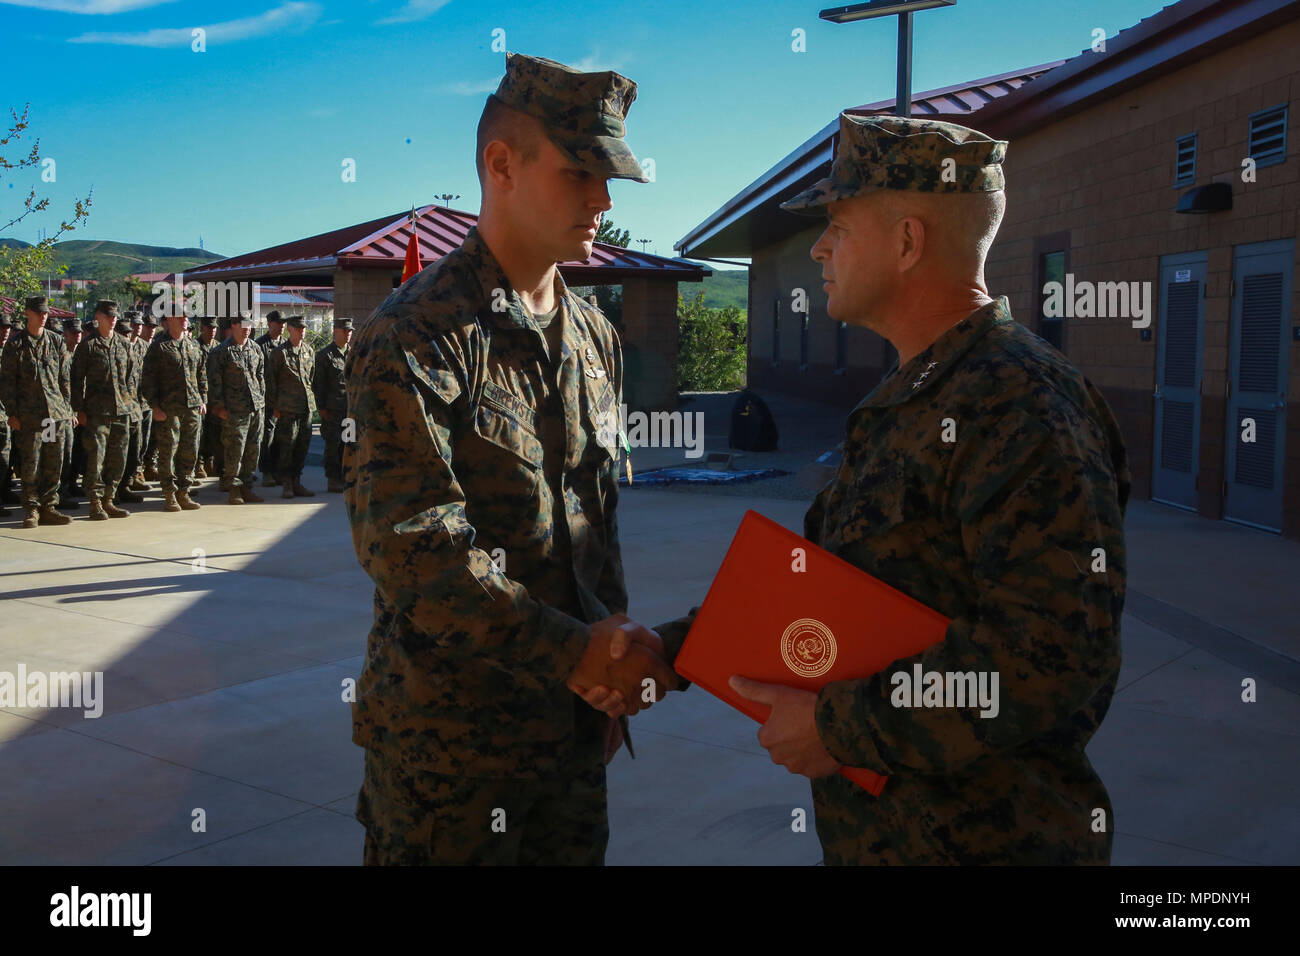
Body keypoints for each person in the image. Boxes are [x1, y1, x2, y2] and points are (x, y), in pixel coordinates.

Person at [585, 113, 1132, 866]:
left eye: (838, 225)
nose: (818, 247)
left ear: (907, 242)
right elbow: (836, 594)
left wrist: (841, 729)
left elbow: (1053, 658)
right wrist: (679, 651)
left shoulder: (1020, 403)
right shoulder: (922, 391)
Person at [345, 52, 675, 866]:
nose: (602, 200)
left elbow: (596, 531)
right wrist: (577, 656)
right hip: (453, 752)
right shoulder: (417, 333)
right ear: (502, 165)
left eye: (612, 180)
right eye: (580, 174)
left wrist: (605, 679)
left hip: (572, 731)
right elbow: (412, 548)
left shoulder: (593, 335)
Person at [0, 296, 75, 528]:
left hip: (53, 416)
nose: (43, 317)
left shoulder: (56, 342)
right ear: (28, 314)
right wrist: (13, 413)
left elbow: (64, 379)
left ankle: (48, 506)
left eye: (45, 313)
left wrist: (68, 408)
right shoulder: (15, 345)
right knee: (31, 464)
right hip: (29, 418)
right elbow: (7, 384)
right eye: (38, 313)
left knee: (53, 462)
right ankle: (31, 509)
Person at [71, 301, 135, 520]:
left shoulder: (124, 344)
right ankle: (95, 502)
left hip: (121, 410)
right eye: (108, 315)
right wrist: (79, 409)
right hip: (97, 412)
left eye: (115, 315)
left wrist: (131, 406)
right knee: (96, 458)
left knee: (118, 457)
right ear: (99, 317)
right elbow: (77, 381)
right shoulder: (88, 346)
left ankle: (109, 499)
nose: (113, 319)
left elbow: (131, 378)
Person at [141, 311, 208, 512]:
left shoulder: (192, 345)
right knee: (168, 452)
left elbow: (201, 374)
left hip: (192, 407)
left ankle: (183, 492)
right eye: (179, 316)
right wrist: (154, 406)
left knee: (190, 451)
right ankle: (169, 493)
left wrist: (203, 399)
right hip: (169, 409)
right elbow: (147, 380)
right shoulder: (159, 347)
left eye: (186, 316)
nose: (184, 319)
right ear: (169, 320)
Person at [208, 315, 266, 505]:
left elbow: (260, 376)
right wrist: (218, 407)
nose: (246, 329)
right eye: (243, 326)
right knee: (235, 450)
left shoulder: (255, 348)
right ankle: (234, 488)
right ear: (233, 326)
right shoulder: (221, 352)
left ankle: (247, 487)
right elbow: (214, 382)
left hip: (255, 408)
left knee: (253, 449)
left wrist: (261, 400)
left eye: (249, 326)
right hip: (234, 410)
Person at [265, 315, 316, 498]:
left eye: (304, 328)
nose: (302, 331)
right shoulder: (279, 353)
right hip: (287, 408)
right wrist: (274, 406)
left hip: (306, 407)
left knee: (302, 446)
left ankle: (297, 481)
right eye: (298, 328)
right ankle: (287, 483)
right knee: (287, 446)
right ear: (289, 329)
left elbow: (311, 378)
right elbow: (271, 382)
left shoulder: (309, 351)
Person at [311, 316, 351, 493]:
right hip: (333, 409)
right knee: (333, 445)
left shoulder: (353, 354)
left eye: (350, 331)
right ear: (336, 332)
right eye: (345, 331)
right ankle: (333, 478)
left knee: (349, 443)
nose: (348, 334)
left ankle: (347, 477)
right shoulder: (324, 355)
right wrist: (322, 408)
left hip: (350, 409)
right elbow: (318, 385)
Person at [118, 311, 149, 502]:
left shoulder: (144, 347)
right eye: (132, 326)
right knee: (119, 450)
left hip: (140, 404)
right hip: (120, 407)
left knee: (137, 447)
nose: (136, 329)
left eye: (139, 325)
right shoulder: (118, 348)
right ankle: (113, 489)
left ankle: (128, 482)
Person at [255, 310, 285, 486]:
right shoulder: (260, 345)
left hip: (284, 398)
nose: (281, 326)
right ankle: (267, 471)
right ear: (269, 323)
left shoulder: (286, 345)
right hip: (266, 399)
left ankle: (278, 471)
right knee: (267, 436)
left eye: (283, 323)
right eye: (278, 323)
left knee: (281, 437)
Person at [195, 315, 219, 478]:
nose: (212, 331)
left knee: (214, 432)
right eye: (209, 328)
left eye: (214, 328)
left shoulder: (219, 347)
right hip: (199, 396)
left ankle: (210, 461)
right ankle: (198, 464)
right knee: (199, 433)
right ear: (202, 328)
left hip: (215, 396)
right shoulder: (195, 346)